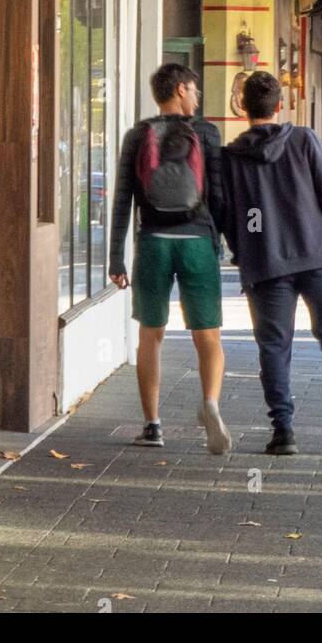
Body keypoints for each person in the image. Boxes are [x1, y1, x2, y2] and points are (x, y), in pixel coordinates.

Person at [221, 71, 322, 455]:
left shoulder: (231, 157)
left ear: (243, 108)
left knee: (274, 344)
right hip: (320, 254)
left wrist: (244, 249)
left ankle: (283, 430)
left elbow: (230, 214)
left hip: (265, 261)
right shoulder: (303, 139)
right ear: (279, 105)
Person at [109, 63, 231, 455]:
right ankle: (209, 402)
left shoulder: (138, 135)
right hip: (197, 241)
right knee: (207, 335)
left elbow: (122, 198)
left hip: (153, 244)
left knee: (151, 334)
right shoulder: (207, 133)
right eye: (193, 90)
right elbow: (221, 197)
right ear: (180, 90)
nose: (196, 97)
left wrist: (116, 258)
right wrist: (228, 243)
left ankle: (152, 425)